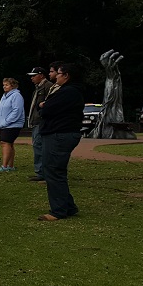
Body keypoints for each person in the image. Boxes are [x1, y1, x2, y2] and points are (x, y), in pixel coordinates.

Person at [37, 63, 84, 221]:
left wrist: (44, 106)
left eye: (59, 73)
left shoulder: (68, 92)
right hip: (61, 133)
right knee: (56, 171)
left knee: (53, 170)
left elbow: (46, 110)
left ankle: (58, 210)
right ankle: (68, 206)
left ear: (67, 75)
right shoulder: (70, 91)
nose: (56, 76)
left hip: (59, 135)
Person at [25, 67, 53, 182]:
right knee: (37, 146)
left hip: (42, 121)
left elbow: (50, 103)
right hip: (37, 121)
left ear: (41, 75)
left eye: (34, 75)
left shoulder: (48, 86)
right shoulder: (38, 87)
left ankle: (43, 173)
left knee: (40, 146)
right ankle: (41, 172)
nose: (32, 78)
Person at [0, 77, 26, 172]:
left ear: (13, 86)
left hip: (12, 125)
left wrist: (6, 121)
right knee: (9, 144)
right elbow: (0, 110)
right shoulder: (4, 96)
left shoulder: (16, 96)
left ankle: (4, 166)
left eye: (7, 85)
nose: (4, 87)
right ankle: (10, 166)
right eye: (4, 85)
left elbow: (17, 111)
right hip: (4, 124)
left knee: (5, 143)